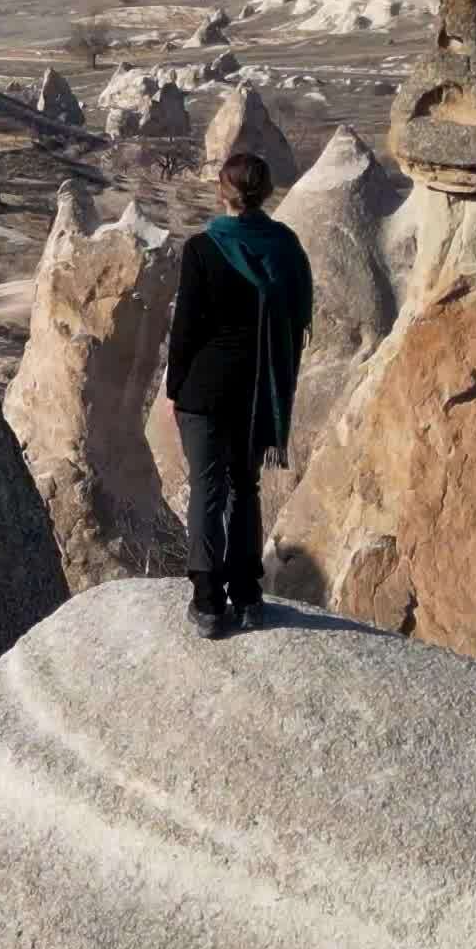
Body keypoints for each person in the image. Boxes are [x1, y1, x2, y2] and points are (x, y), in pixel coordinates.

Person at [163, 150, 315, 638]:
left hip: (205, 389)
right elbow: (298, 316)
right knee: (244, 488)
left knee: (207, 491)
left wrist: (175, 386)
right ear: (265, 192)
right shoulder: (285, 247)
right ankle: (248, 598)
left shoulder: (204, 249)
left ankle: (208, 604)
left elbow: (185, 329)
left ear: (221, 191)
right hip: (257, 390)